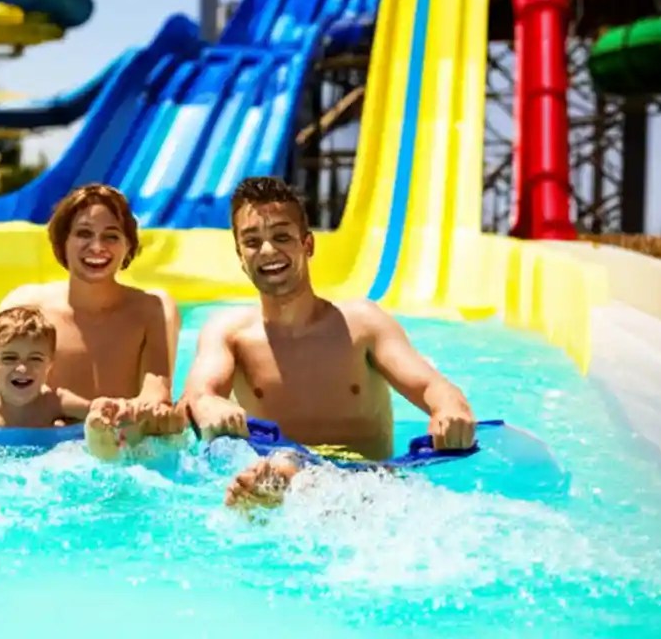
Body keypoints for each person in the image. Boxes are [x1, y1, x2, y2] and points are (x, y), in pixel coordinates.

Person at [172, 176, 478, 509]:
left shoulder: (362, 324)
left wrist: (449, 411)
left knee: (281, 473)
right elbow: (194, 397)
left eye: (281, 237)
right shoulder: (229, 333)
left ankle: (270, 492)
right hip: (279, 474)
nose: (268, 251)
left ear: (308, 245)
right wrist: (207, 403)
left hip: (372, 485)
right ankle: (272, 490)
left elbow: (434, 387)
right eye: (252, 241)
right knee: (280, 468)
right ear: (240, 256)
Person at [0, 183, 181, 417]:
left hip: (114, 445)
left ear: (128, 245)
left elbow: (156, 394)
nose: (97, 247)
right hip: (40, 446)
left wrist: (132, 417)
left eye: (111, 236)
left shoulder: (151, 308)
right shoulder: (28, 304)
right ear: (62, 242)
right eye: (83, 234)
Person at [0, 305, 183, 458]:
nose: (22, 367)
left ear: (49, 365)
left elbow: (98, 413)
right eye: (9, 358)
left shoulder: (55, 401)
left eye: (35, 358)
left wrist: (110, 411)